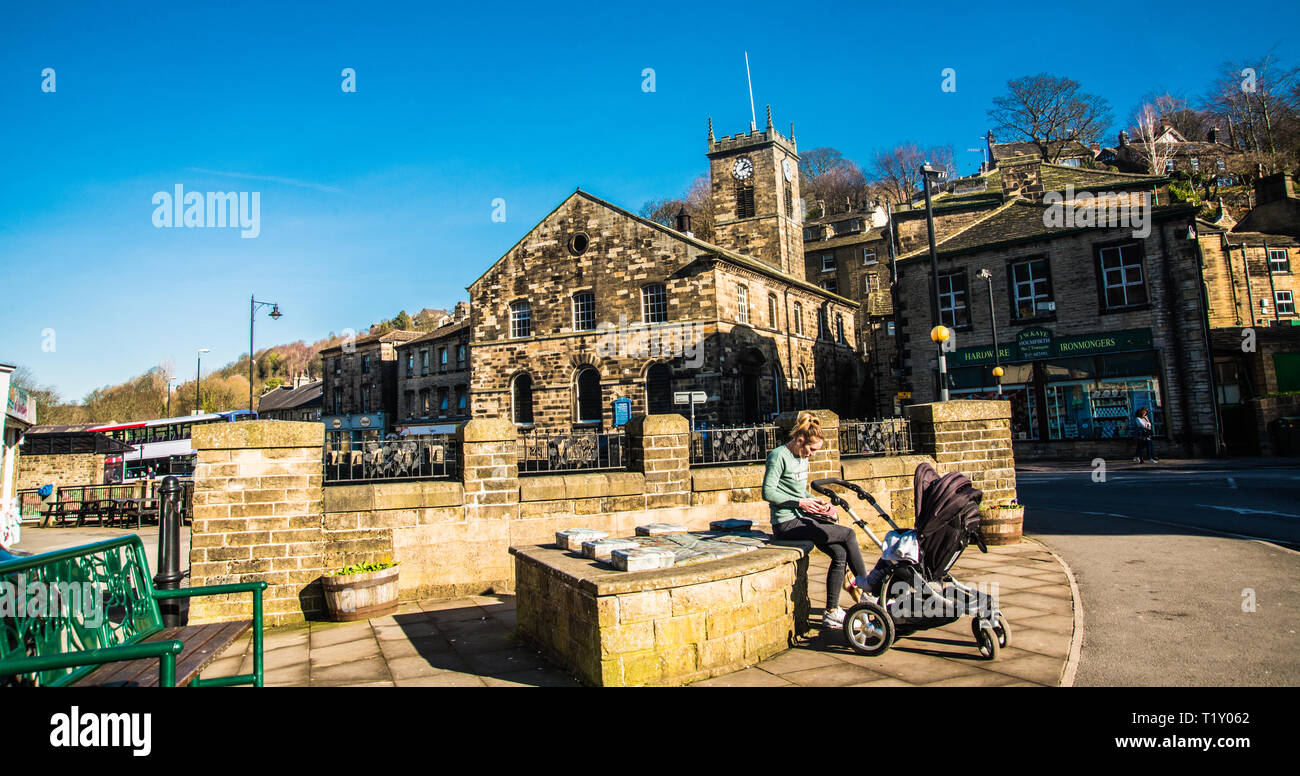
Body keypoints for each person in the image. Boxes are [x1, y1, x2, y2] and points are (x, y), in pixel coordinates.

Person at [762, 411, 870, 630]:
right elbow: (768, 492)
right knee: (848, 534)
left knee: (840, 553)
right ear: (799, 440)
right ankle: (868, 588)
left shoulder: (802, 458)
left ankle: (831, 611)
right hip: (785, 524)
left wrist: (819, 503)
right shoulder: (778, 456)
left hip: (802, 518)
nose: (812, 454)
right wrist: (800, 504)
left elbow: (800, 492)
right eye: (811, 449)